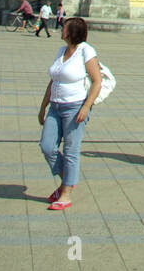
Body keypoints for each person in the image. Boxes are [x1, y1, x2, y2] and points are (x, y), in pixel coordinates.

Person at [38, 16, 101, 210]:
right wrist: (43, 106)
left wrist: (86, 106)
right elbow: (54, 80)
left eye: (64, 27)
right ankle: (68, 179)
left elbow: (97, 81)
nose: (60, 30)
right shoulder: (61, 51)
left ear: (72, 31)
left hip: (75, 107)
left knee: (70, 150)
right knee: (47, 146)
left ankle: (65, 194)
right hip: (55, 107)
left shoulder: (86, 50)